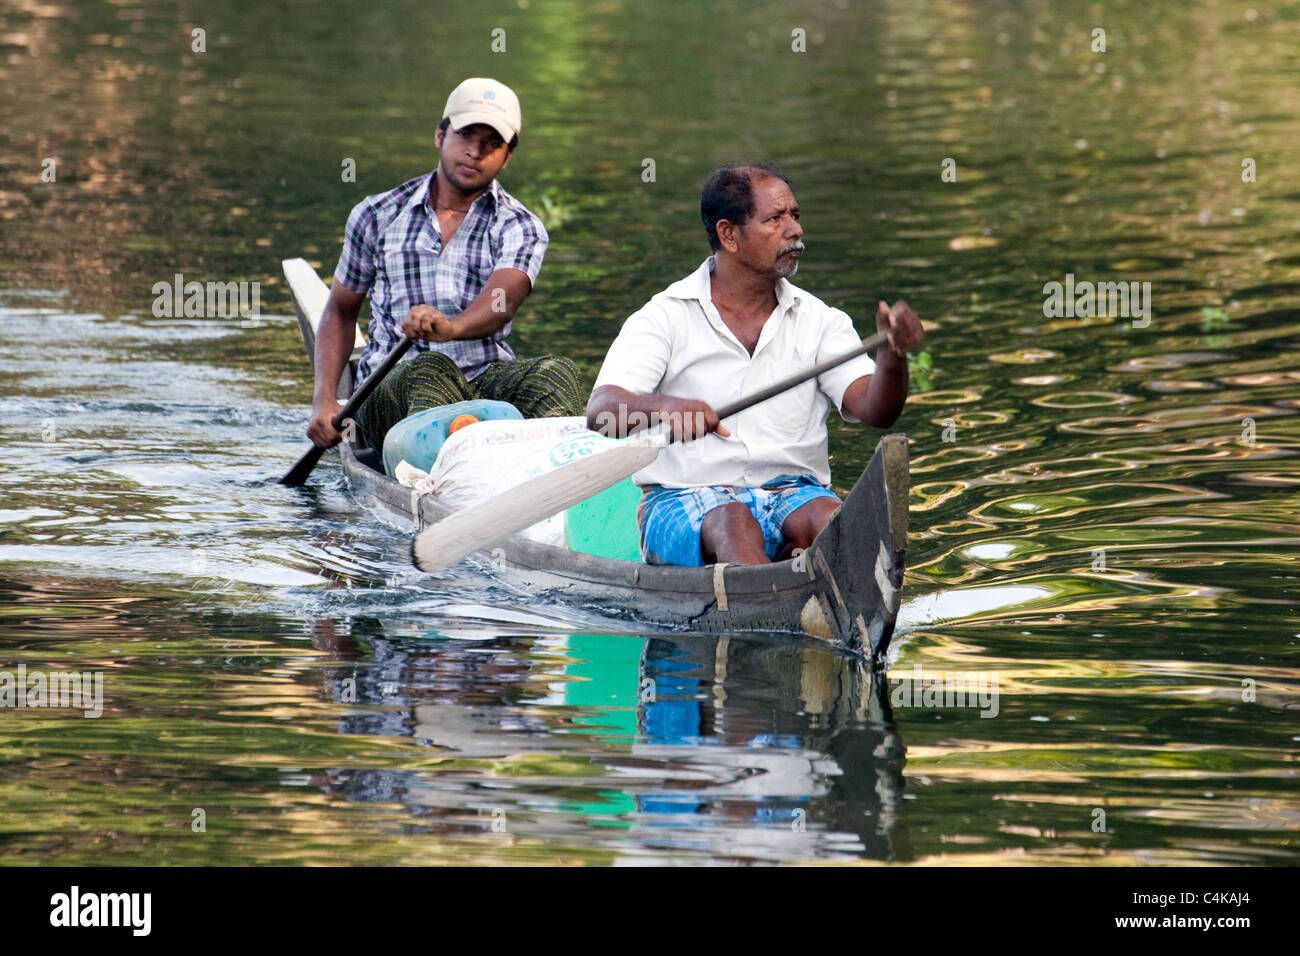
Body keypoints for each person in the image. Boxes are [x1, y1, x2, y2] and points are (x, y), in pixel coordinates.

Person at [586, 162, 924, 567]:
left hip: (795, 492)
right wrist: (667, 408)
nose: (795, 229)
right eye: (775, 218)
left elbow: (876, 410)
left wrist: (893, 356)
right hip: (684, 496)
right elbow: (602, 411)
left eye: (795, 215)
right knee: (733, 522)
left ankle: (791, 598)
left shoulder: (821, 320)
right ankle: (768, 611)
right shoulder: (664, 317)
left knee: (833, 522)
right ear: (729, 234)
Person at [306, 77, 584, 454]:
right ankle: (441, 482)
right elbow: (340, 311)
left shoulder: (520, 225)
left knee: (557, 373)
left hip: (482, 381)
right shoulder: (376, 214)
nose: (475, 152)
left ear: (507, 156)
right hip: (389, 388)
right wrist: (324, 400)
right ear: (440, 136)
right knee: (430, 370)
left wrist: (451, 328)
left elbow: (503, 300)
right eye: (466, 136)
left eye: (492, 144)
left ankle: (553, 478)